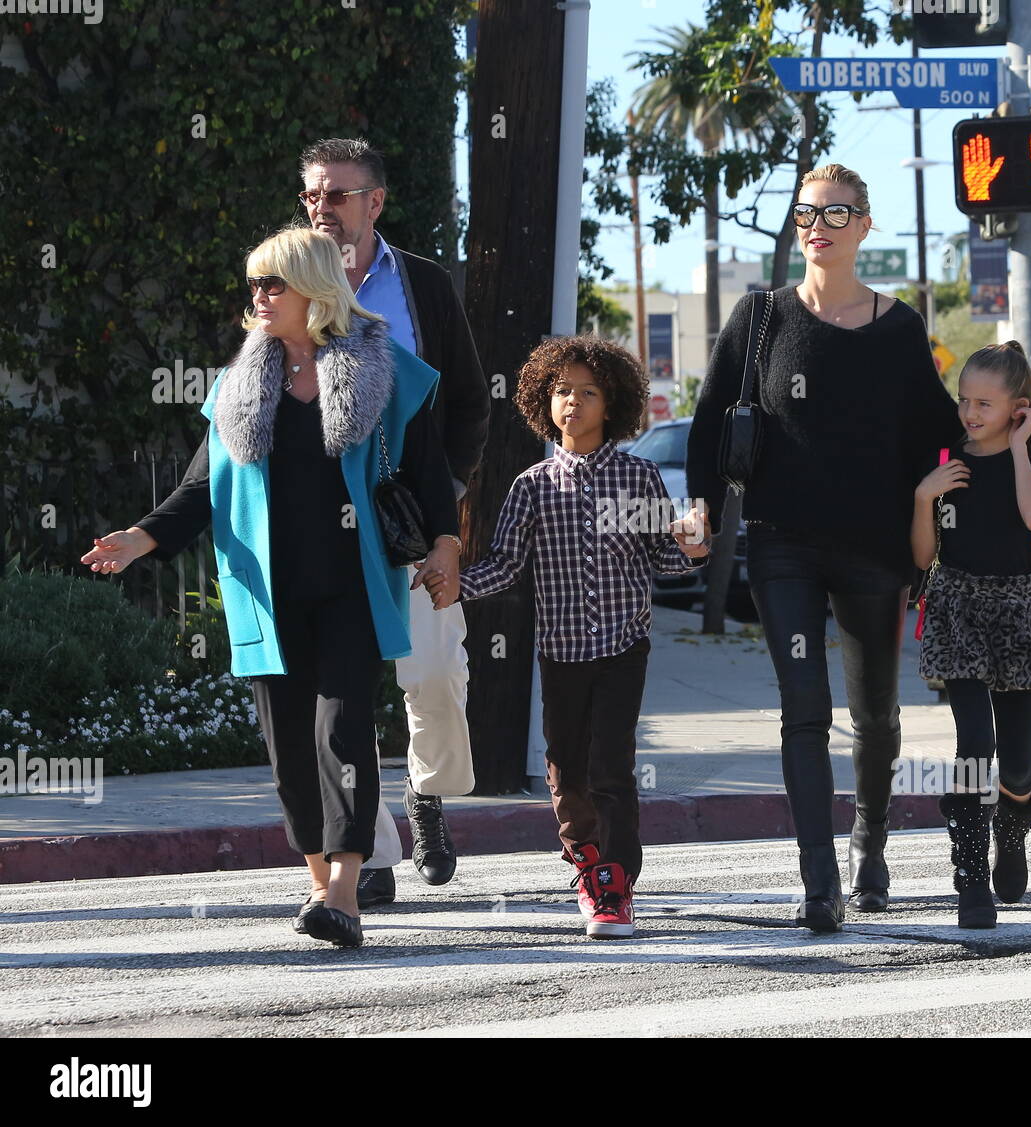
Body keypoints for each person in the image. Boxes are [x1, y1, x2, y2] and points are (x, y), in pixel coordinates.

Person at [81, 227, 462, 948]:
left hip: (353, 587)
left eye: (273, 284)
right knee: (289, 747)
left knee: (342, 731)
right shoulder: (237, 386)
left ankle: (346, 889)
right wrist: (140, 538)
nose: (258, 297)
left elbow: (429, 476)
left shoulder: (388, 372)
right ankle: (320, 880)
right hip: (267, 595)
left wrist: (444, 545)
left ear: (315, 291)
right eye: (255, 284)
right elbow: (201, 489)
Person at [686, 163, 967, 932]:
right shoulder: (761, 319)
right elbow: (712, 422)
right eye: (808, 214)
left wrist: (1004, 457)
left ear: (866, 228)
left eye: (838, 214)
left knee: (875, 714)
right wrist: (698, 510)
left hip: (876, 548)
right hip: (783, 545)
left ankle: (870, 840)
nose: (819, 226)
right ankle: (819, 882)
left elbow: (943, 437)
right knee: (803, 707)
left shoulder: (900, 330)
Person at [427, 337, 711, 939]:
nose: (573, 403)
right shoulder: (531, 486)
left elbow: (664, 557)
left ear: (613, 404)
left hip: (622, 646)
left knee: (610, 765)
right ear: (543, 402)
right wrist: (454, 587)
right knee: (565, 769)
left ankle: (615, 883)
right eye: (562, 392)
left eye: (588, 392)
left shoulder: (639, 477)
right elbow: (505, 564)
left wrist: (691, 546)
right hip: (560, 650)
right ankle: (586, 864)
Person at [299, 137, 490, 907]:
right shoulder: (288, 282)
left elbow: (472, 402)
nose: (321, 208)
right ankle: (368, 850)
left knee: (437, 669)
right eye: (312, 195)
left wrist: (442, 499)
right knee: (342, 688)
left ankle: (428, 792)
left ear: (374, 202)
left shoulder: (424, 286)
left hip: (411, 515)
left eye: (337, 195)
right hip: (323, 519)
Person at [913, 340, 1031, 930]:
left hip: (1015, 613)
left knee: (1015, 766)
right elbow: (924, 552)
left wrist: (1015, 448)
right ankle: (969, 876)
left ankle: (1015, 823)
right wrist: (923, 495)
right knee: (973, 745)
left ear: (1019, 408)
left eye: (986, 403)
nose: (971, 413)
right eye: (965, 401)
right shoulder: (943, 460)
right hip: (957, 606)